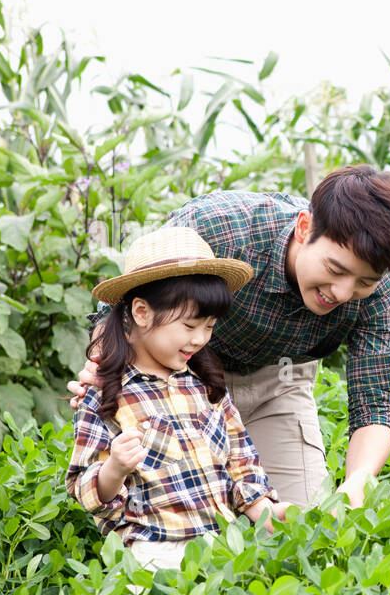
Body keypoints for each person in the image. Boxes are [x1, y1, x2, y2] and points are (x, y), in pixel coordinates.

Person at [67, 165, 390, 509]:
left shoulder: (380, 296)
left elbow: (375, 404)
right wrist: (103, 366)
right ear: (304, 228)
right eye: (335, 269)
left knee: (302, 524)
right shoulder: (221, 229)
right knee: (171, 515)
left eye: (364, 282)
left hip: (280, 382)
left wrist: (358, 481)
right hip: (181, 375)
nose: (342, 292)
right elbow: (120, 304)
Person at [65, 227, 290, 571]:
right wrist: (114, 468)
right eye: (189, 326)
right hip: (155, 554)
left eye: (210, 326)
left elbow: (241, 462)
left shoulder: (206, 387)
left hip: (223, 548)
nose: (200, 339)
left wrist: (264, 509)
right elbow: (85, 487)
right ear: (141, 312)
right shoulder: (105, 393)